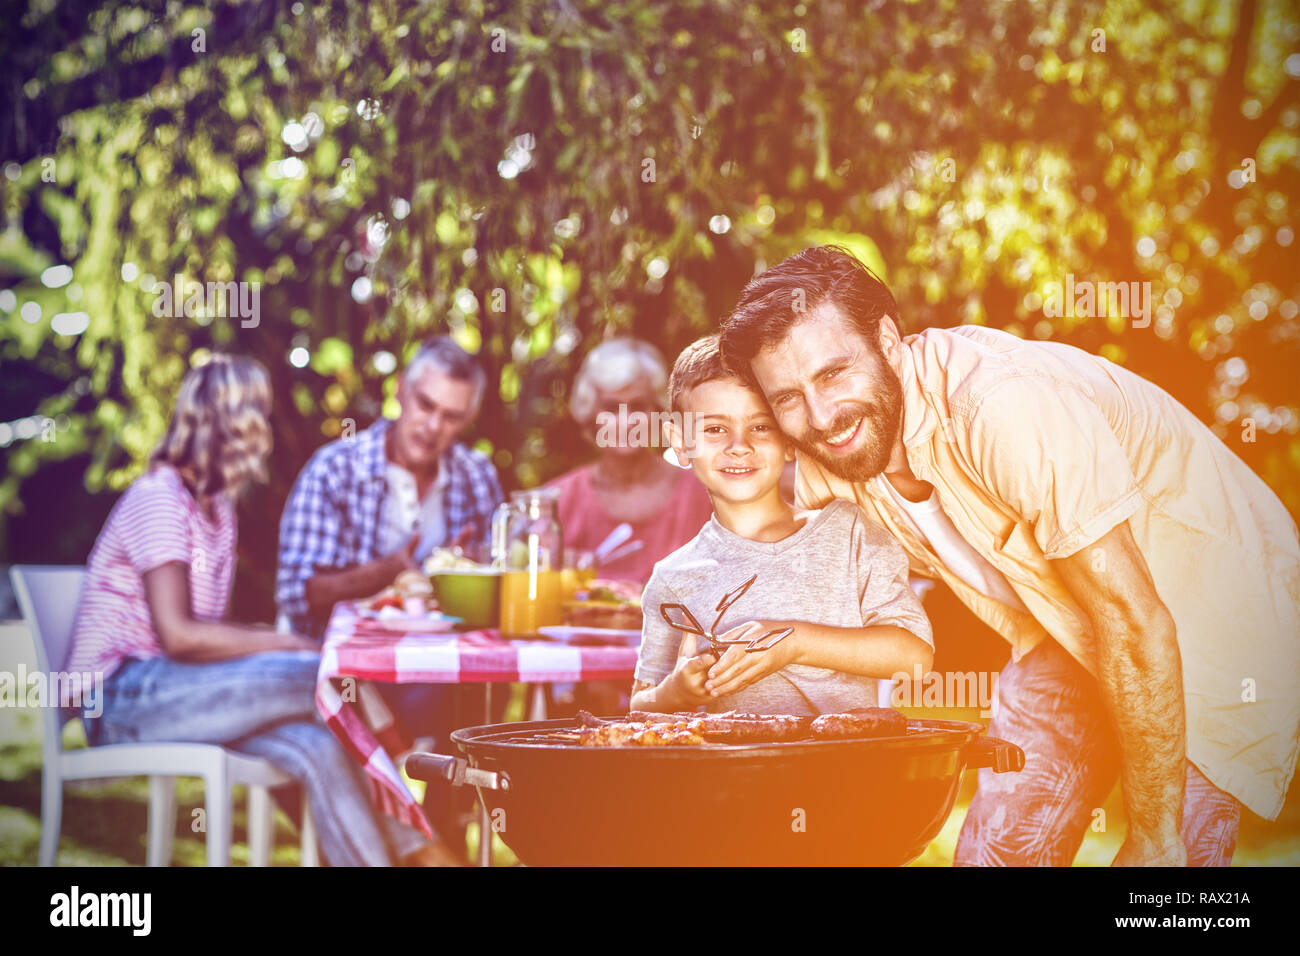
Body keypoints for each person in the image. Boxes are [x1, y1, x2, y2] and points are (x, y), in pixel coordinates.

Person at [718, 244, 1300, 866]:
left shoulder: (1001, 408)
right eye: (787, 398)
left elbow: (1136, 621)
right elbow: (800, 611)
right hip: (1058, 619)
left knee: (1167, 880)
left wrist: (1155, 840)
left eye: (834, 374)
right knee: (998, 856)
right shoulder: (832, 459)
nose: (821, 416)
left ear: (888, 342)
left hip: (1204, 617)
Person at [67, 355, 449, 865]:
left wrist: (270, 643)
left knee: (320, 747)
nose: (265, 432)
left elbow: (204, 638)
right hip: (119, 699)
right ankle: (419, 809)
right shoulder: (159, 497)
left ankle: (408, 856)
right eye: (259, 416)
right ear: (230, 423)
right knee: (321, 671)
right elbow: (180, 636)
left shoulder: (215, 510)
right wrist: (285, 641)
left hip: (174, 690)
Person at [276, 336, 504, 861]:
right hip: (350, 675)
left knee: (475, 701)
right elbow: (301, 593)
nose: (432, 425)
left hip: (435, 676)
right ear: (401, 392)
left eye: (451, 415)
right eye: (425, 405)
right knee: (451, 704)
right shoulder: (336, 468)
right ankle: (434, 854)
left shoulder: (475, 476)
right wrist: (390, 571)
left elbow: (493, 579)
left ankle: (448, 838)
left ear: (466, 420)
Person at [631, 335, 933, 715]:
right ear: (680, 441)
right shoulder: (672, 579)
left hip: (843, 772)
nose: (739, 445)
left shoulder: (851, 532)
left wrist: (794, 642)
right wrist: (674, 693)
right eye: (714, 429)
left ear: (791, 439)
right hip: (728, 774)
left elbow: (916, 658)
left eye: (761, 427)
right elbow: (640, 709)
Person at [547, 338, 714, 585]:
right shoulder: (556, 502)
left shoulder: (704, 495)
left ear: (659, 412)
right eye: (611, 408)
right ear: (590, 414)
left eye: (637, 406)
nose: (626, 422)